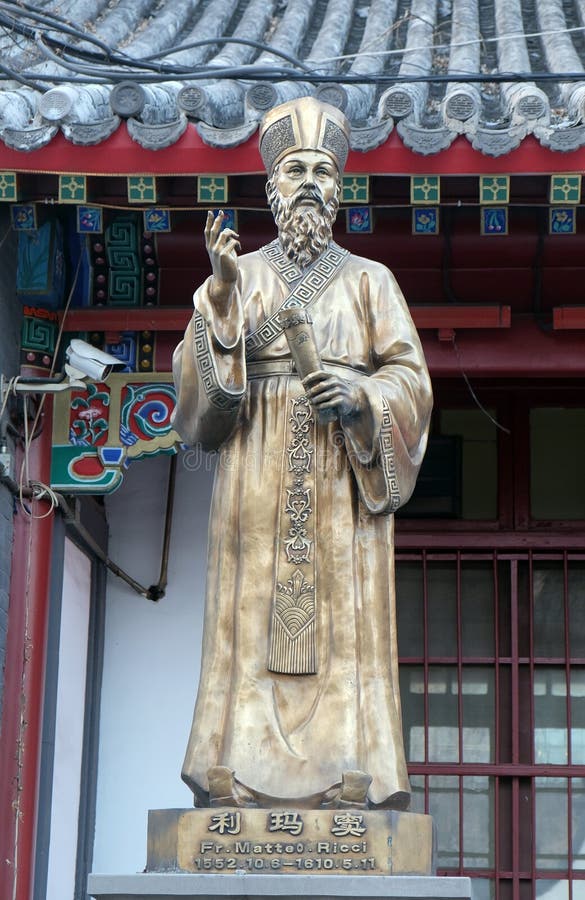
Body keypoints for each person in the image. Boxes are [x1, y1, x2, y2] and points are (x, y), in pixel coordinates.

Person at [172, 97, 433, 810]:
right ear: (272, 187)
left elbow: (411, 382)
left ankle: (353, 773)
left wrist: (359, 394)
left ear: (339, 189)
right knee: (249, 619)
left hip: (341, 484)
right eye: (296, 170)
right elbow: (198, 412)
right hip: (255, 478)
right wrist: (220, 299)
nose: (311, 183)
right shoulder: (239, 274)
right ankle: (234, 771)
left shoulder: (370, 280)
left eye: (323, 171)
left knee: (345, 626)